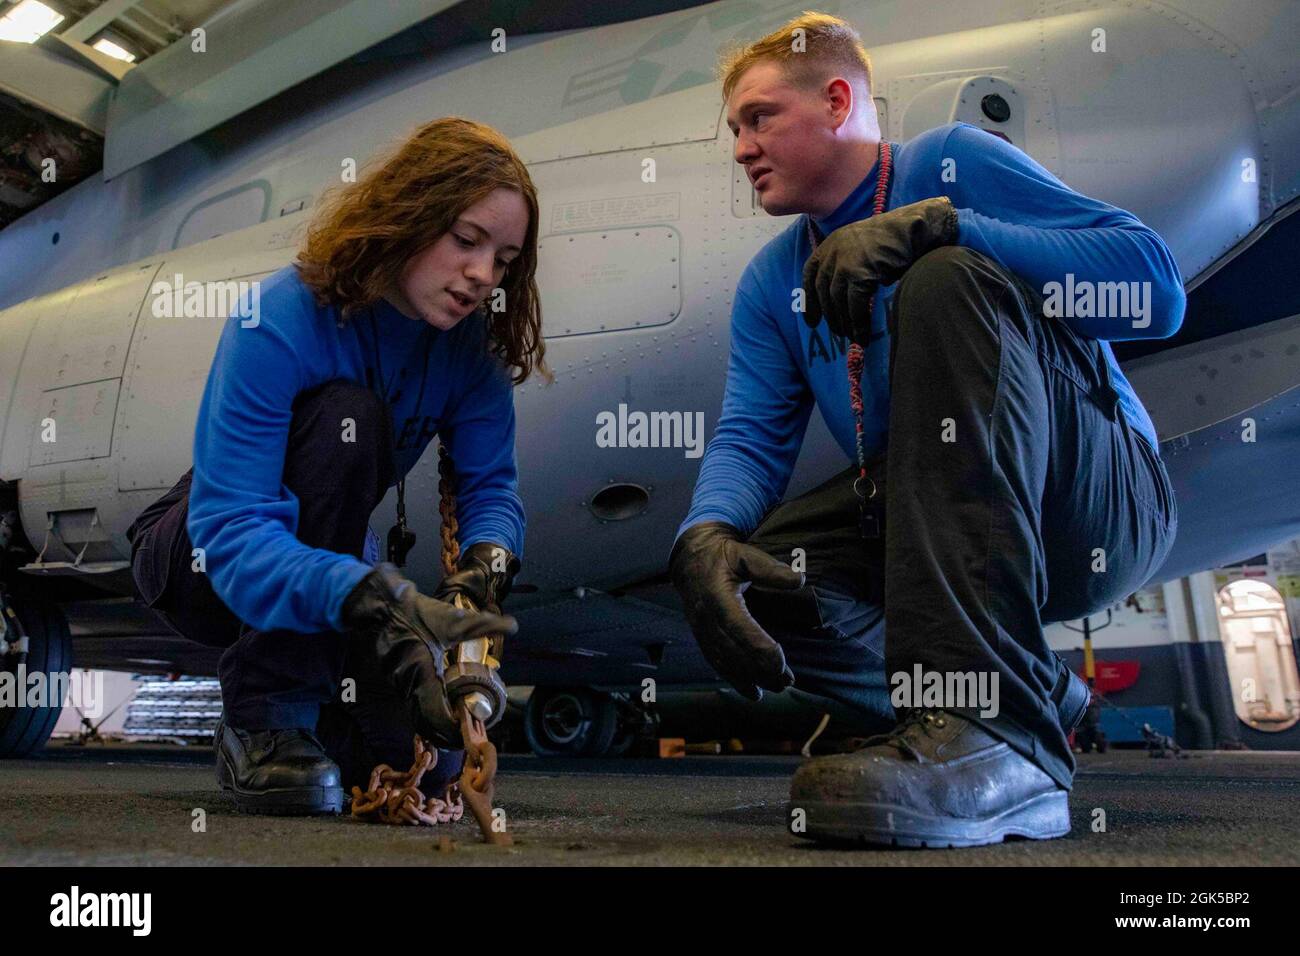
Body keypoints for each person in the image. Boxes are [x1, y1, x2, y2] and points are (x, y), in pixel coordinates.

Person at [669, 13, 1180, 847]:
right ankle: (1022, 690)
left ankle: (1003, 742)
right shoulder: (771, 283)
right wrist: (704, 533)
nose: (741, 148)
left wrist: (946, 226)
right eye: (734, 129)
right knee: (759, 576)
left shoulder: (950, 163)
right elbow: (749, 437)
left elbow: (1156, 291)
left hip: (1095, 501)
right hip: (931, 515)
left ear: (837, 100)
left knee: (944, 280)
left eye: (759, 118)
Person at [126, 116, 548, 815]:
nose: (481, 275)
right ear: (409, 216)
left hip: (330, 563)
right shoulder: (282, 318)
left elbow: (491, 488)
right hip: (203, 553)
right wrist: (373, 599)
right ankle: (263, 716)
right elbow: (234, 532)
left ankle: (309, 726)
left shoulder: (472, 355)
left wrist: (486, 565)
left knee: (428, 754)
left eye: (503, 259)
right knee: (348, 420)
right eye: (465, 240)